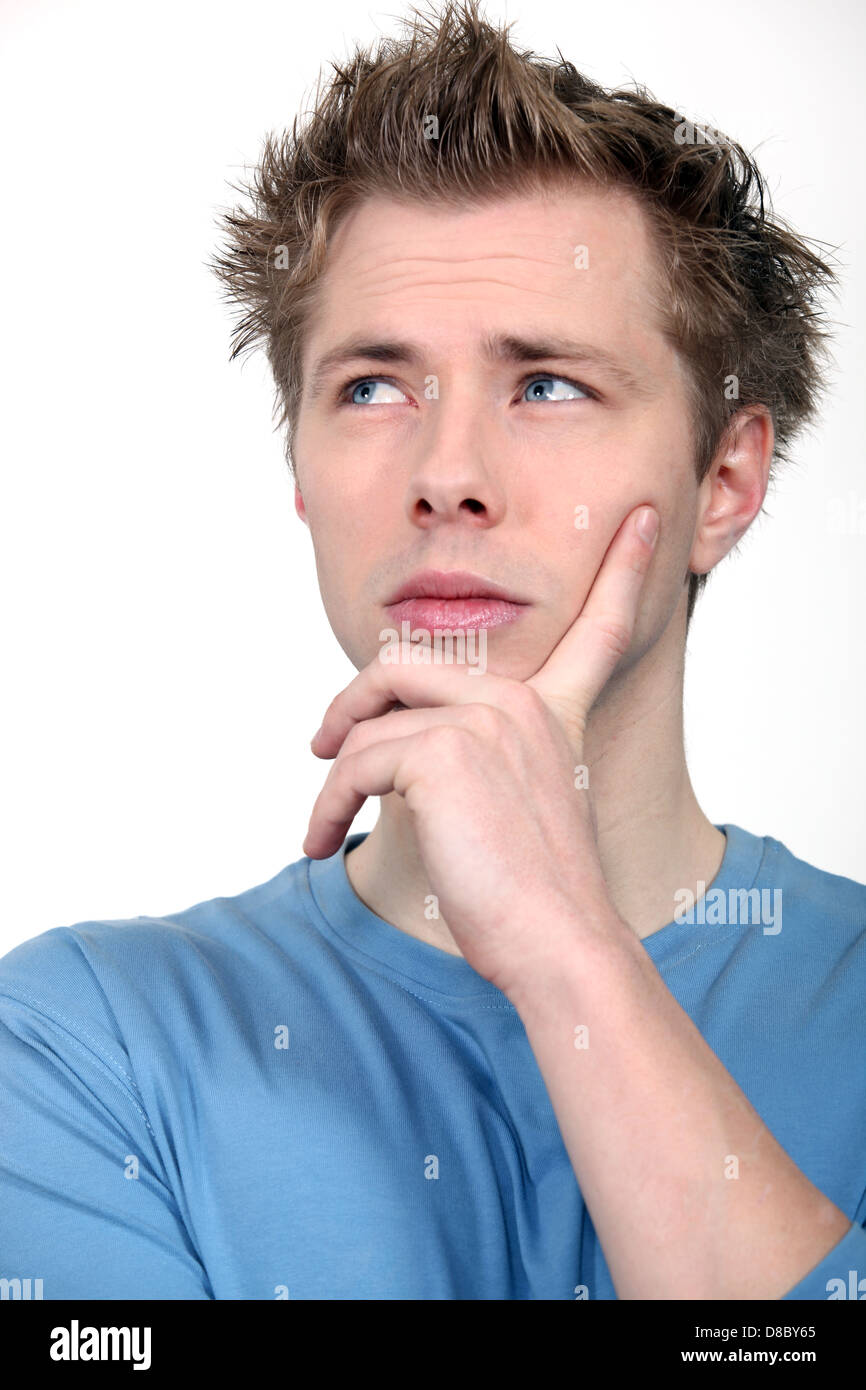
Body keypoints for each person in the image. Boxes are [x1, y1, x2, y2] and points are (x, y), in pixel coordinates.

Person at [2, 0, 864, 1301]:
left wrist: (566, 952)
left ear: (725, 479)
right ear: (300, 470)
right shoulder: (78, 1041)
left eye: (547, 384)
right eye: (371, 387)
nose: (444, 473)